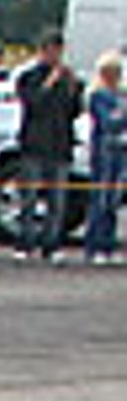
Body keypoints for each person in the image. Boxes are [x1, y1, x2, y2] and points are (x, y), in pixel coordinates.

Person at [14, 32, 84, 261]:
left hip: (60, 145)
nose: (55, 56)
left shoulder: (68, 79)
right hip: (33, 145)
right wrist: (48, 83)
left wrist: (73, 89)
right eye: (50, 50)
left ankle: (51, 244)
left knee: (58, 200)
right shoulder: (28, 77)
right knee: (29, 198)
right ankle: (25, 242)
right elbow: (33, 104)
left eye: (58, 51)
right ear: (42, 51)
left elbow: (73, 112)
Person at [82, 51, 126, 263]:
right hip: (103, 149)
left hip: (120, 149)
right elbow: (108, 122)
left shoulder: (120, 95)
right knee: (100, 198)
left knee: (113, 200)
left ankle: (108, 245)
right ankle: (94, 245)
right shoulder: (98, 95)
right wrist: (121, 117)